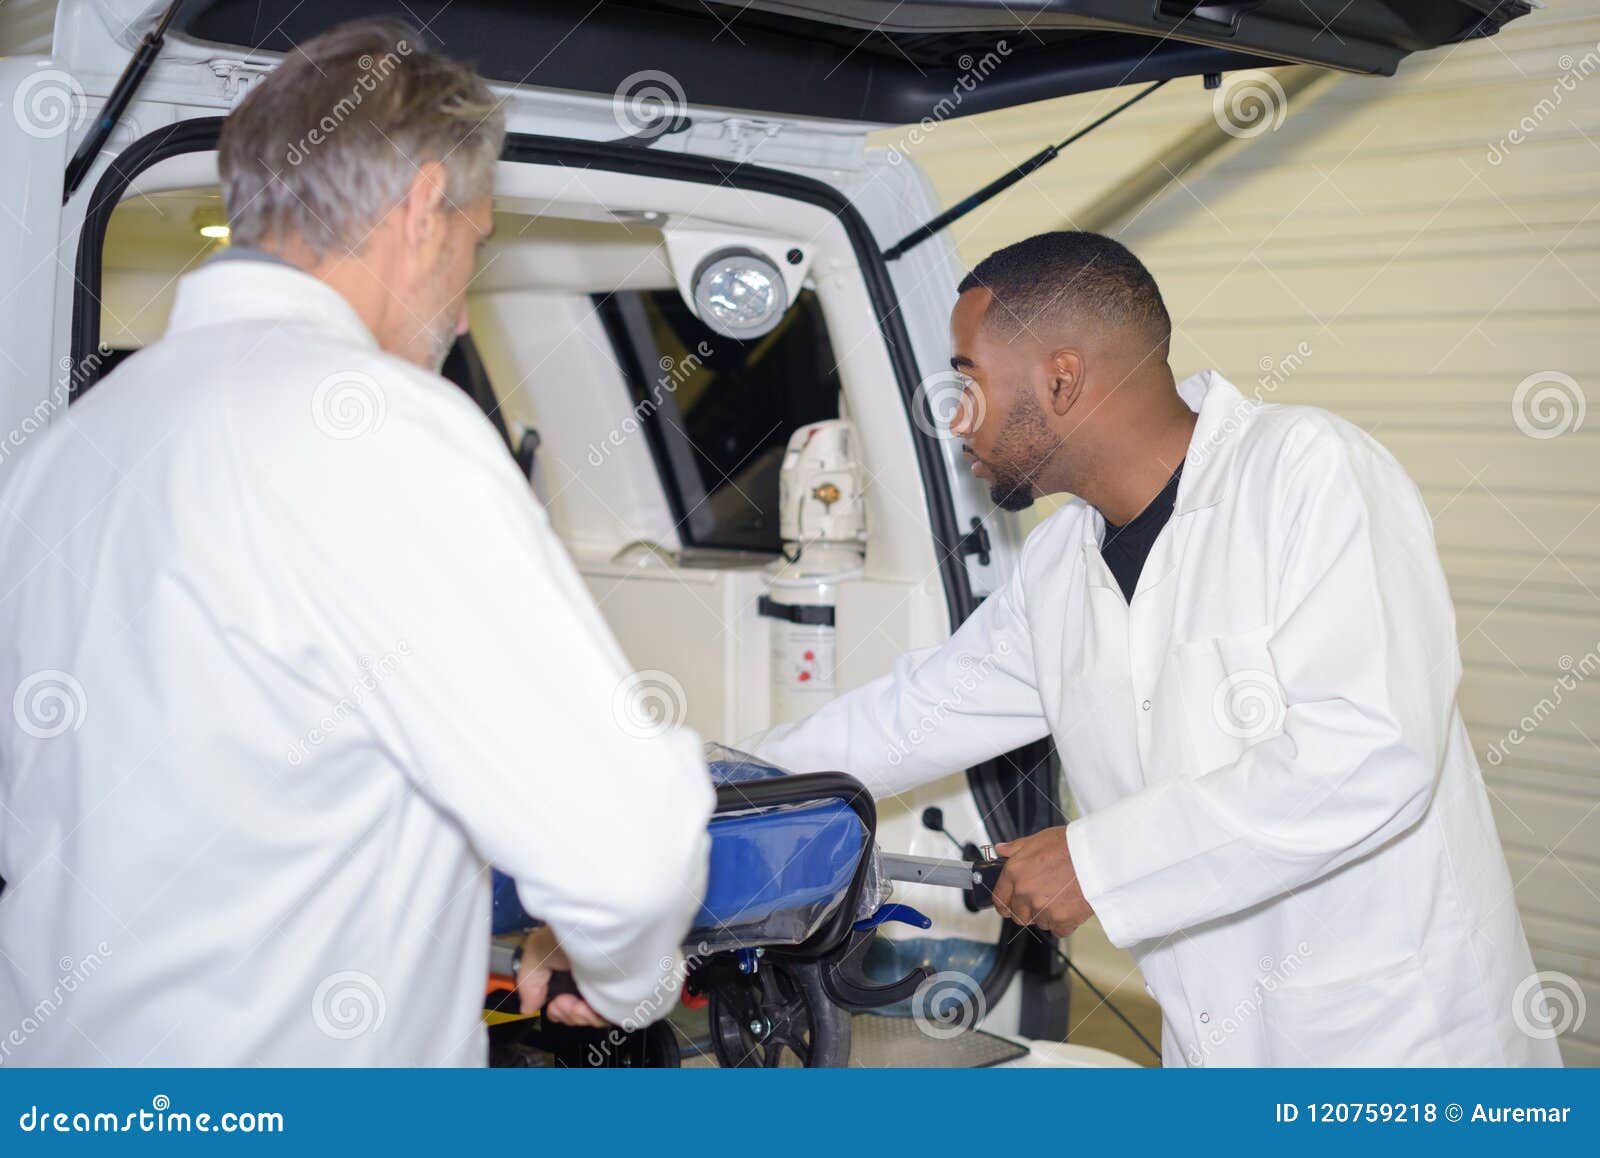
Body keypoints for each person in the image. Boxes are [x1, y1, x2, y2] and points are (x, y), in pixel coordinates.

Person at [0, 20, 712, 1065]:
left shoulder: (65, 454)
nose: (464, 316)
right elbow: (628, 850)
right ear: (424, 206)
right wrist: (630, 978)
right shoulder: (378, 429)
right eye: (474, 246)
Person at [751, 231, 1560, 1067]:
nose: (954, 418)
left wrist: (1095, 863)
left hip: (1398, 1050)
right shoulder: (1061, 563)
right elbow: (910, 718)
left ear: (1060, 379)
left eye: (969, 382)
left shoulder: (1310, 473)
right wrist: (723, 794)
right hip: (1215, 1048)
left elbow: (1372, 753)